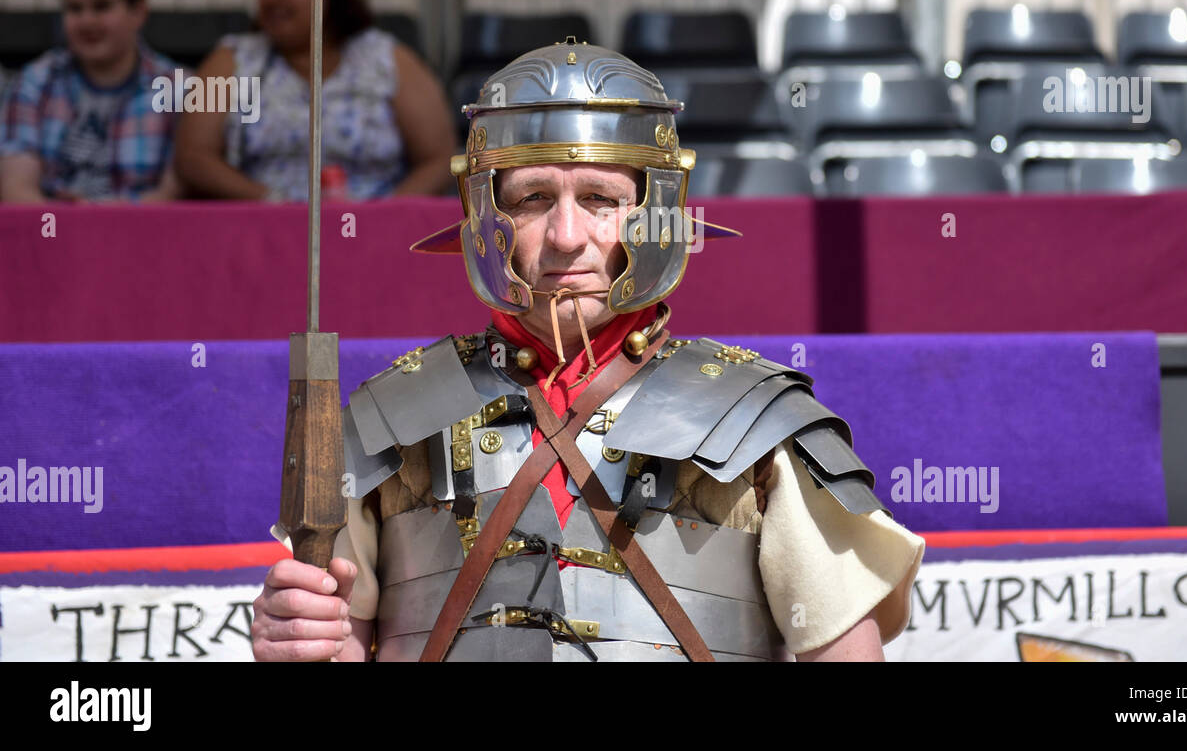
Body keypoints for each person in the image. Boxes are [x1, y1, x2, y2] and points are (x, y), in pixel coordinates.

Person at [251, 39, 925, 662]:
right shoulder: (389, 425)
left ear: (657, 213)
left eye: (600, 198)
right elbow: (335, 647)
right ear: (486, 217)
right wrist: (301, 639)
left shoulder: (757, 425)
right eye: (533, 197)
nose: (566, 235)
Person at [173, 0, 456, 200]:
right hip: (262, 229)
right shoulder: (231, 59)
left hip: (375, 229)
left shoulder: (387, 58)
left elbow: (438, 157)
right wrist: (268, 201)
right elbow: (193, 157)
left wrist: (385, 215)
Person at [0, 0, 181, 202]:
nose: (86, 21)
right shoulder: (34, 82)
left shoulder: (180, 90)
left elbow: (175, 195)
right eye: (75, 8)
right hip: (50, 236)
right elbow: (16, 191)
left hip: (145, 236)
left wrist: (111, 222)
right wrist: (69, 225)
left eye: (102, 6)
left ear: (138, 12)